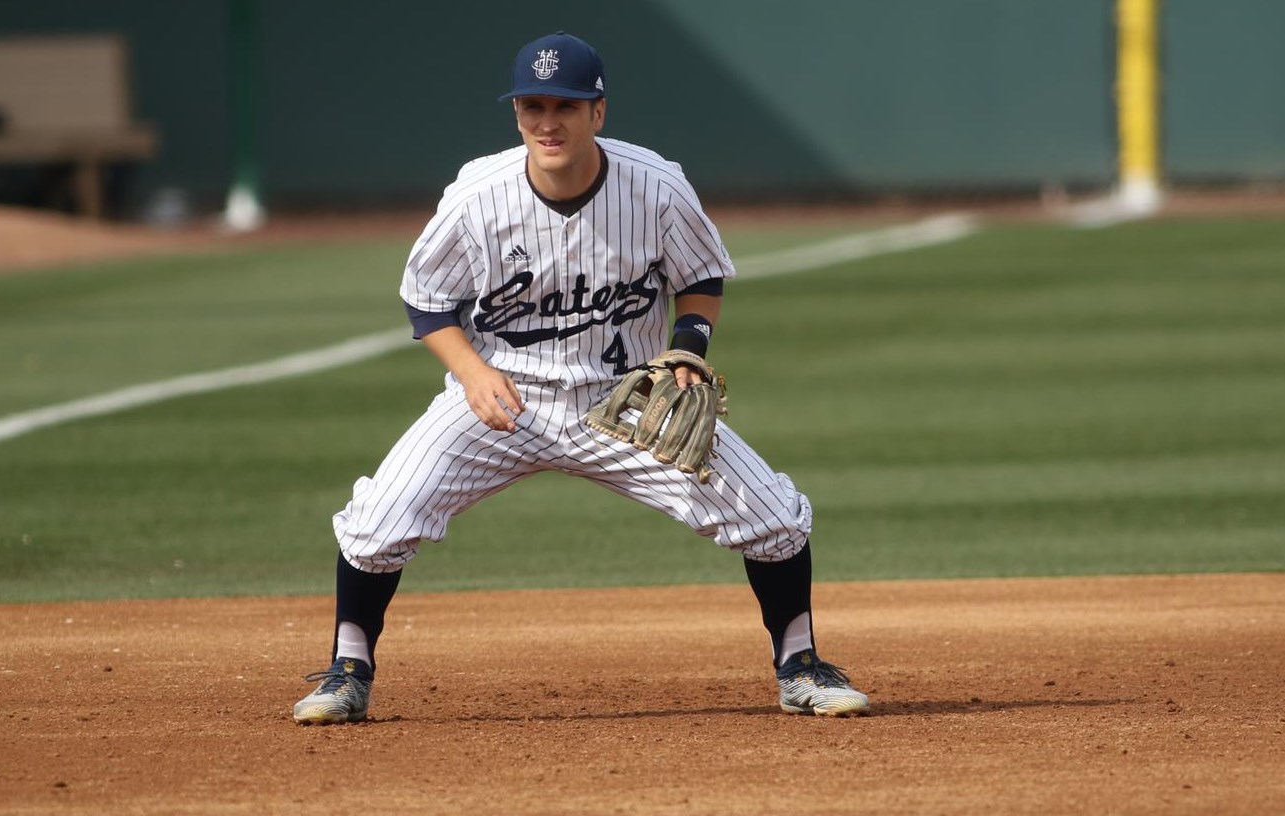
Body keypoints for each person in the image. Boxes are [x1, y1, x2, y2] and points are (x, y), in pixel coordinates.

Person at [293, 31, 869, 723]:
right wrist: (471, 373)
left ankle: (799, 665)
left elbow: (701, 276)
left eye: (565, 105)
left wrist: (688, 347)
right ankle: (347, 671)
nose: (547, 121)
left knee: (774, 520)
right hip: (502, 400)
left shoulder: (655, 187)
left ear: (598, 111)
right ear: (515, 115)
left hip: (626, 401)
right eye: (532, 105)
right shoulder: (478, 195)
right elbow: (425, 299)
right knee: (378, 523)